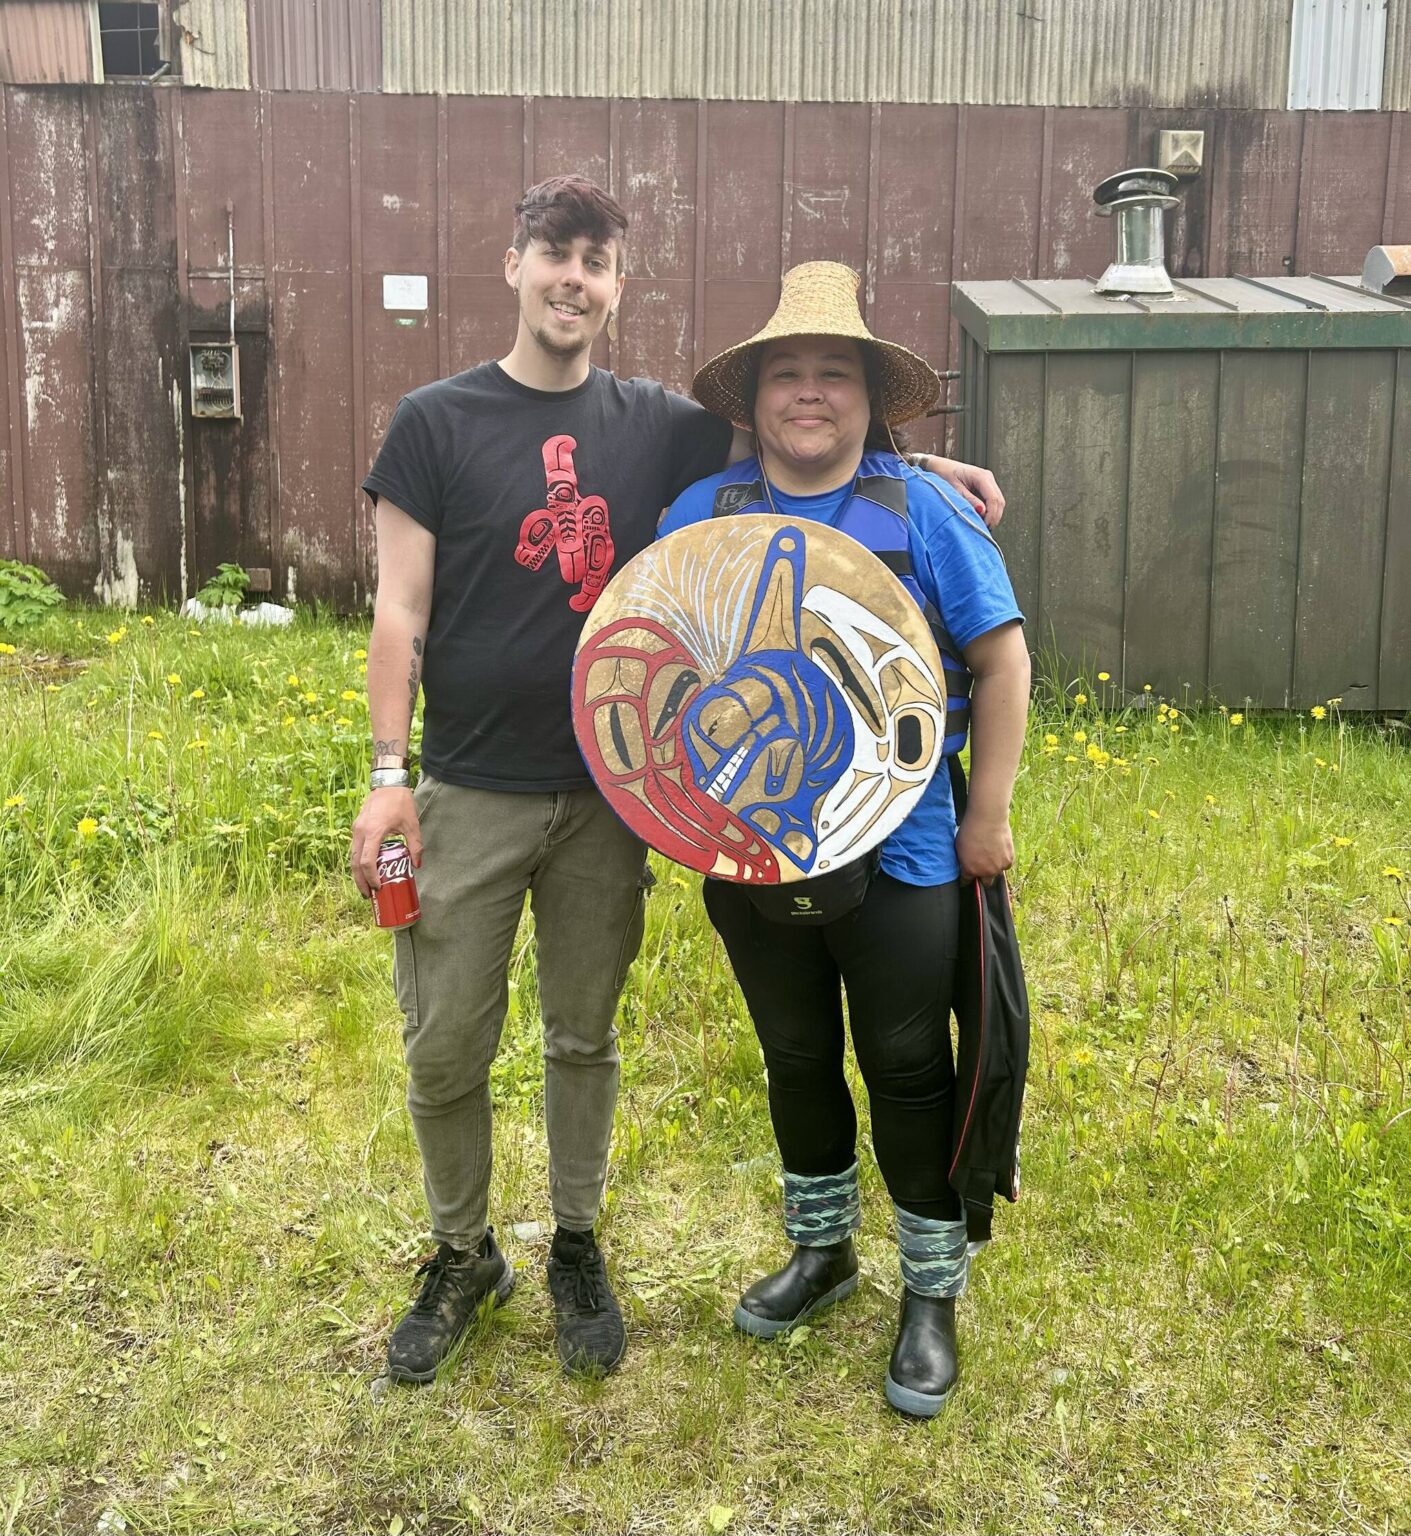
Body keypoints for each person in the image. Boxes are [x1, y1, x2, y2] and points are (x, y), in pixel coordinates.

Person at [349, 178, 1006, 1386]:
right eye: (553, 253)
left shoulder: (655, 421)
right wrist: (388, 774)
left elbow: (836, 463)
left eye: (595, 260)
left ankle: (594, 1249)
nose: (572, 278)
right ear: (512, 263)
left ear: (615, 284)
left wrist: (929, 466)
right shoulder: (443, 425)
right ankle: (466, 1254)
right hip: (490, 787)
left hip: (678, 809)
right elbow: (399, 609)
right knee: (462, 1043)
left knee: (607, 1039)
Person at [658, 261, 1031, 1417]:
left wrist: (988, 816)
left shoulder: (921, 511)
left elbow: (1001, 657)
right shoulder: (701, 521)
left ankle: (931, 1293)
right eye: (787, 375)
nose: (808, 394)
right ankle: (823, 1255)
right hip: (750, 852)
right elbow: (657, 669)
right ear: (753, 398)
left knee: (909, 1066)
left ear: (871, 397)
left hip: (907, 852)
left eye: (834, 373)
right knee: (797, 1058)